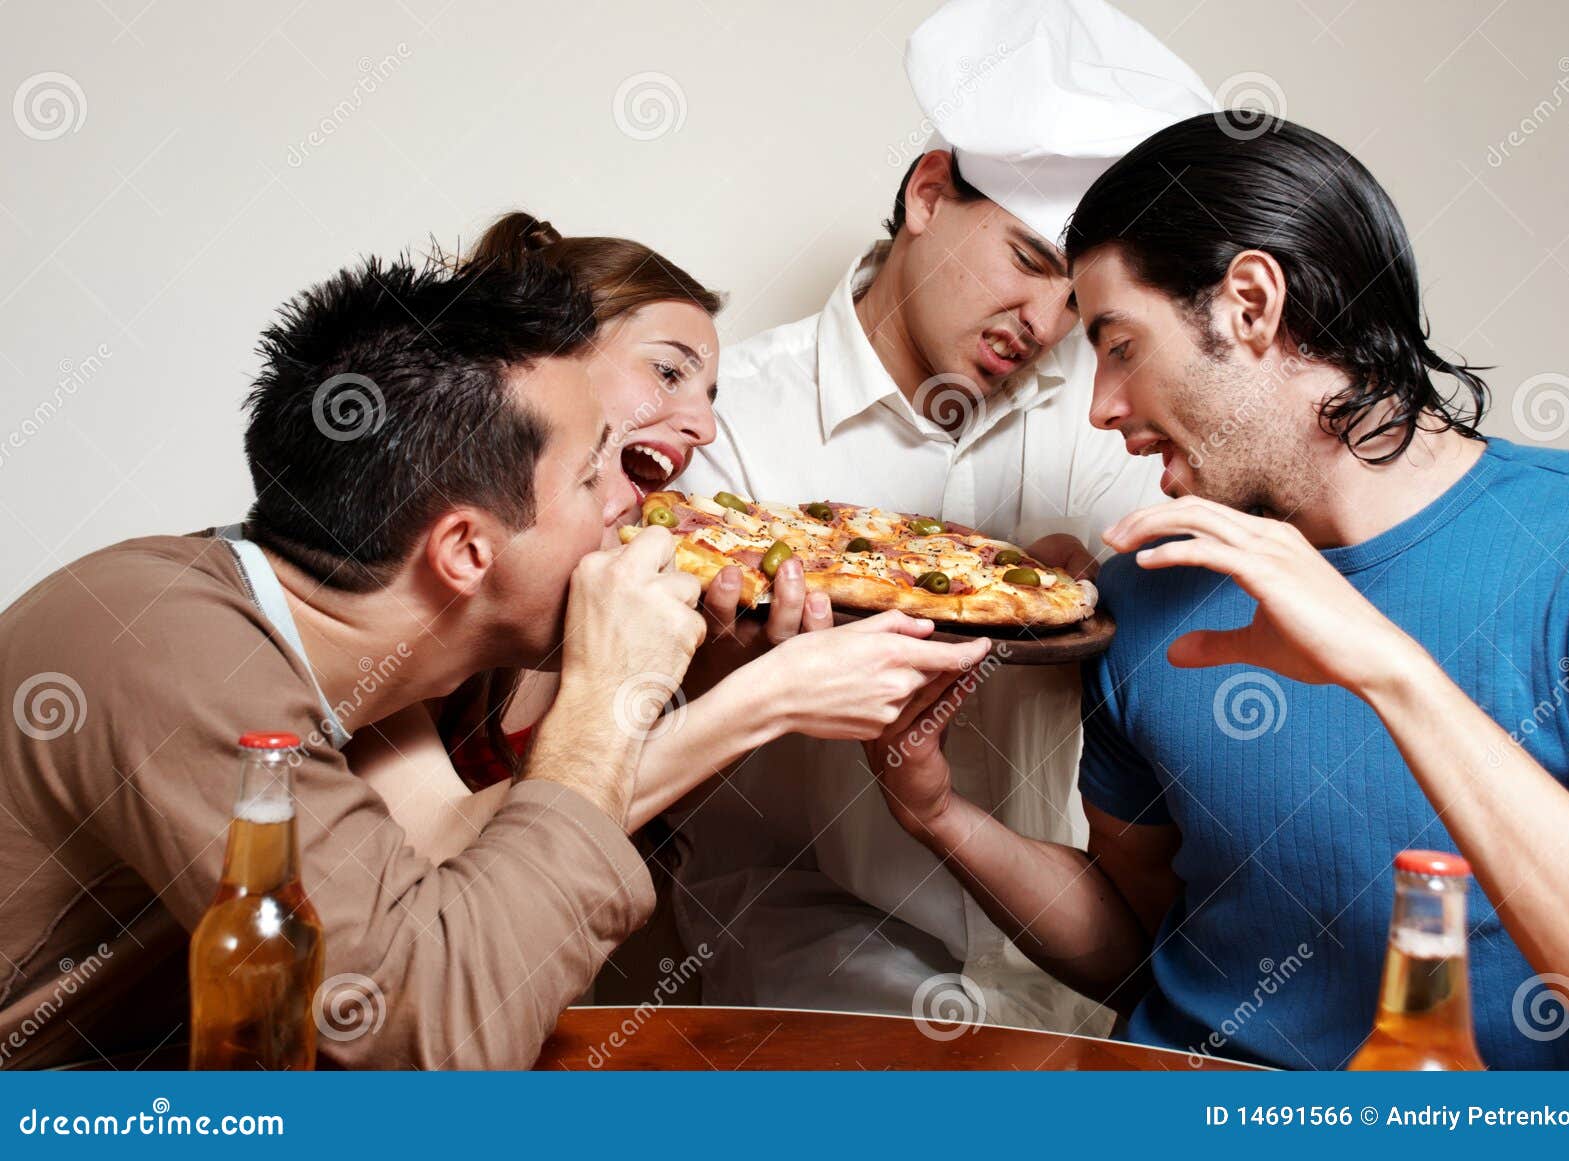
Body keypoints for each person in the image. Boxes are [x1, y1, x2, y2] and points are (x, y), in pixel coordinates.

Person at [0, 249, 978, 1070]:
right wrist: (618, 691)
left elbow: (423, 913)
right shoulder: (163, 645)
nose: (631, 510)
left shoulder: (342, 656)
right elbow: (433, 1037)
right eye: (591, 477)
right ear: (466, 550)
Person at [868, 110, 1569, 1069]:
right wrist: (937, 814)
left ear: (1251, 304)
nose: (1101, 409)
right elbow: (1142, 950)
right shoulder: (1147, 594)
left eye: (1120, 345)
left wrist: (1390, 672)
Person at [666, 0, 1212, 1032]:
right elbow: (643, 749)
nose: (1043, 326)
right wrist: (729, 670)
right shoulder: (729, 420)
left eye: (1077, 301)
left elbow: (1187, 661)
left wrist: (1099, 592)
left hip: (1070, 971)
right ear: (927, 193)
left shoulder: (1112, 415)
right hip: (813, 970)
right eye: (1028, 262)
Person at [348, 214, 989, 866]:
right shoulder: (395, 568)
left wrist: (727, 669)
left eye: (710, 395)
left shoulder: (615, 587)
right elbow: (450, 853)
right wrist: (770, 698)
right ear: (546, 366)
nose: (706, 428)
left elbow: (638, 825)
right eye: (667, 371)